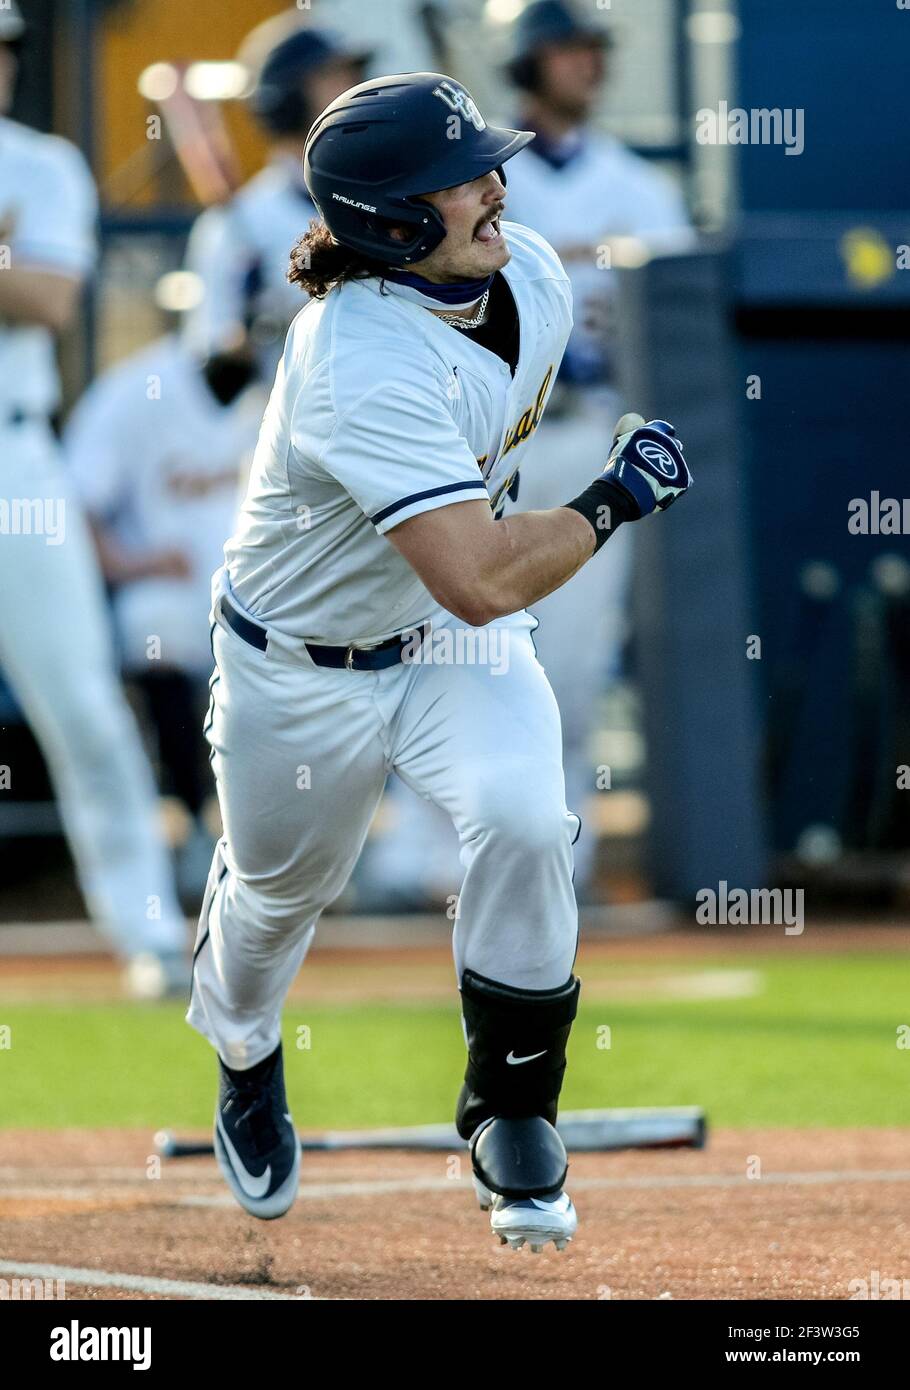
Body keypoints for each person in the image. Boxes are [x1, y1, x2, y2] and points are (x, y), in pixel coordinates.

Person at [186, 72, 691, 1249]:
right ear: (393, 219)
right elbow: (476, 566)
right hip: (298, 667)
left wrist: (567, 505)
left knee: (526, 817)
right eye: (462, 177)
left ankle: (514, 1111)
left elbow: (466, 589)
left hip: (449, 639)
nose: (495, 186)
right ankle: (246, 1050)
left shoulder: (539, 279)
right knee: (276, 898)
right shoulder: (353, 357)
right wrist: (612, 500)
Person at [0, 1, 188, 999]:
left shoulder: (39, 163)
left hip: (15, 459)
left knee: (82, 705)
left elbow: (47, 298)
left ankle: (148, 930)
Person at [63, 323, 268, 899]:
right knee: (152, 623)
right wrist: (134, 564)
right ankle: (196, 822)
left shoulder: (296, 371)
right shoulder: (135, 390)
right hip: (173, 593)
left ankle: (289, 841)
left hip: (268, 596)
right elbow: (79, 502)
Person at [182, 11, 370, 380]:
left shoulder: (394, 196)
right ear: (286, 99)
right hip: (287, 421)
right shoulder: (240, 221)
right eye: (330, 75)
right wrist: (255, 333)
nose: (352, 87)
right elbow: (214, 373)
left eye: (352, 73)